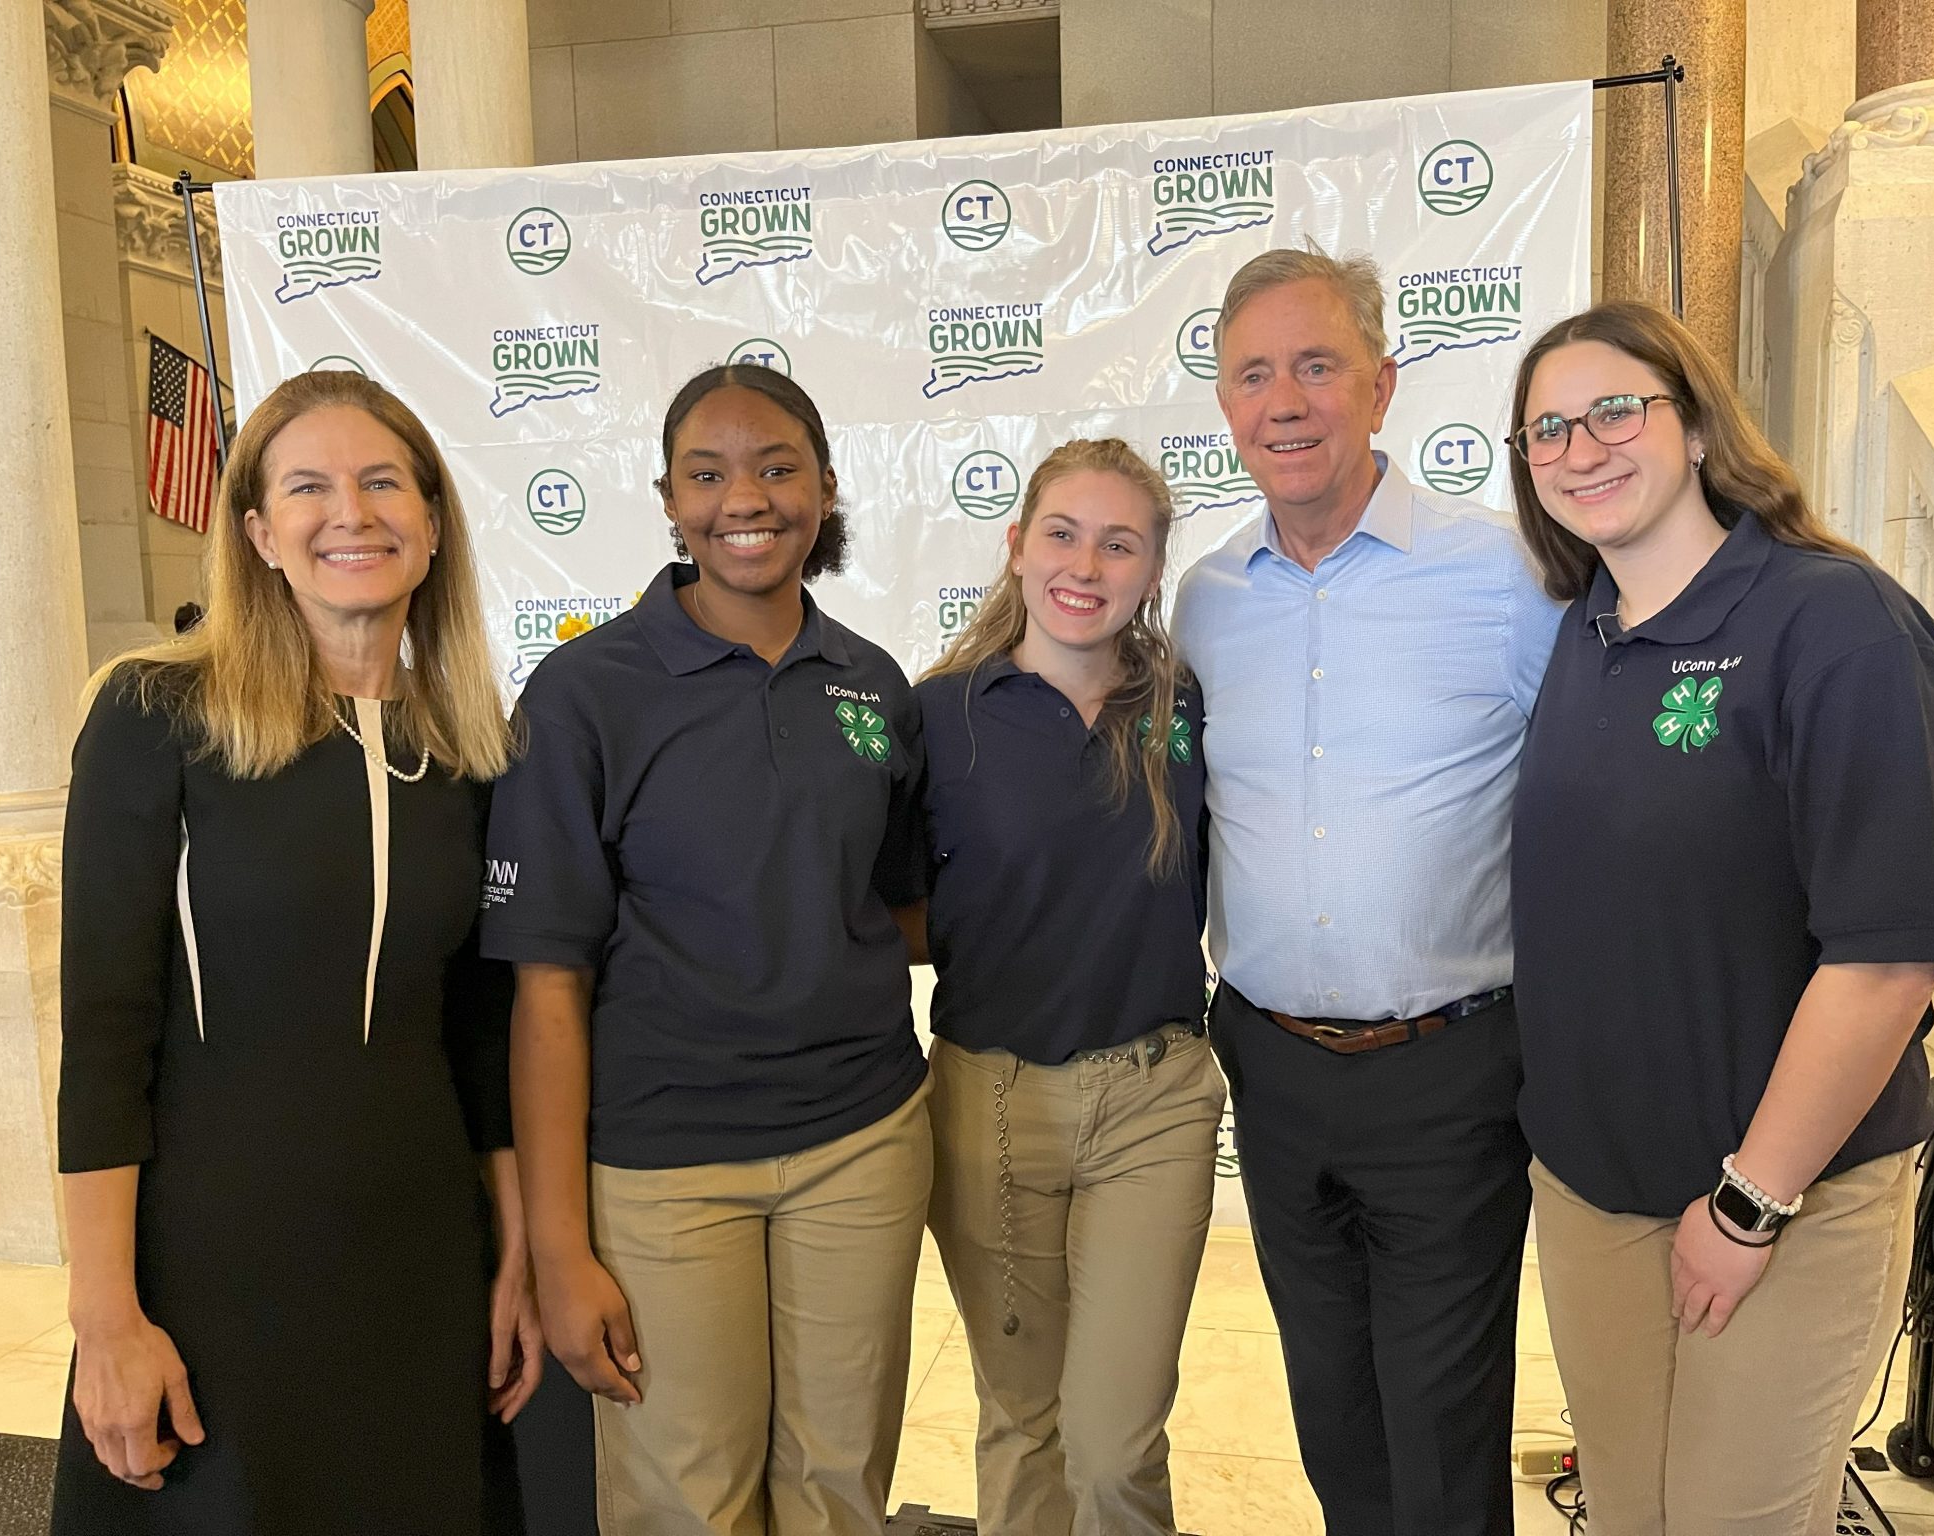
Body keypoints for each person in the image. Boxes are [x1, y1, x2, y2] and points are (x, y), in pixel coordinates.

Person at [1506, 301, 1934, 1536]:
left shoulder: (1833, 626)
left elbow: (1886, 958)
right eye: (1544, 429)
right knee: (1626, 1515)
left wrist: (1748, 1204)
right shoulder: (1583, 633)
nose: (1579, 446)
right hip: (1596, 1193)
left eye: (1615, 409)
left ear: (1697, 423)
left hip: (1778, 1200)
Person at [53, 369, 539, 1536]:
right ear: (260, 533)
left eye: (383, 483)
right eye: (309, 487)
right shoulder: (154, 714)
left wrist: (516, 1258)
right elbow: (105, 1036)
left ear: (430, 523)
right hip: (216, 1264)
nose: (351, 514)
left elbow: (480, 1036)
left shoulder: (471, 744)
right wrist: (106, 1321)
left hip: (420, 1256)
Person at [485, 363, 932, 1536]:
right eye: (708, 473)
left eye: (778, 466)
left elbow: (900, 911)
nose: (747, 496)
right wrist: (556, 1247)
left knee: (839, 1489)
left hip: (863, 1146)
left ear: (826, 491)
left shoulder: (871, 686)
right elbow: (544, 991)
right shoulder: (587, 694)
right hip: (664, 1171)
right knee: (690, 1500)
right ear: (670, 503)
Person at [1171, 244, 1561, 1536]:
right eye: (1252, 375)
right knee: (1334, 1424)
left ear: (1382, 386)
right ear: (1225, 405)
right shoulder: (1207, 600)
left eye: (1317, 366)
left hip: (1451, 1074)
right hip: (1273, 1077)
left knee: (1443, 1442)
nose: (1284, 401)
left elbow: (1601, 799)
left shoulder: (1506, 580)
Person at [907, 439, 1222, 1536]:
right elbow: (881, 904)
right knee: (1022, 1421)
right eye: (1062, 532)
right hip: (987, 1101)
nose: (1085, 564)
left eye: (1118, 543)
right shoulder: (939, 717)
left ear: (1149, 571)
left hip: (1154, 1100)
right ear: (1015, 545)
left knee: (1113, 1442)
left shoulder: (1186, 708)